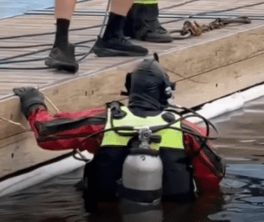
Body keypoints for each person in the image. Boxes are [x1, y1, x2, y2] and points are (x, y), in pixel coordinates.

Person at [12, 56, 225, 206]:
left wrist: (33, 104)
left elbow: (47, 134)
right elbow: (213, 178)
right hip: (171, 212)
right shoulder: (188, 131)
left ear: (130, 89)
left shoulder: (103, 122)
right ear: (167, 92)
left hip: (107, 210)